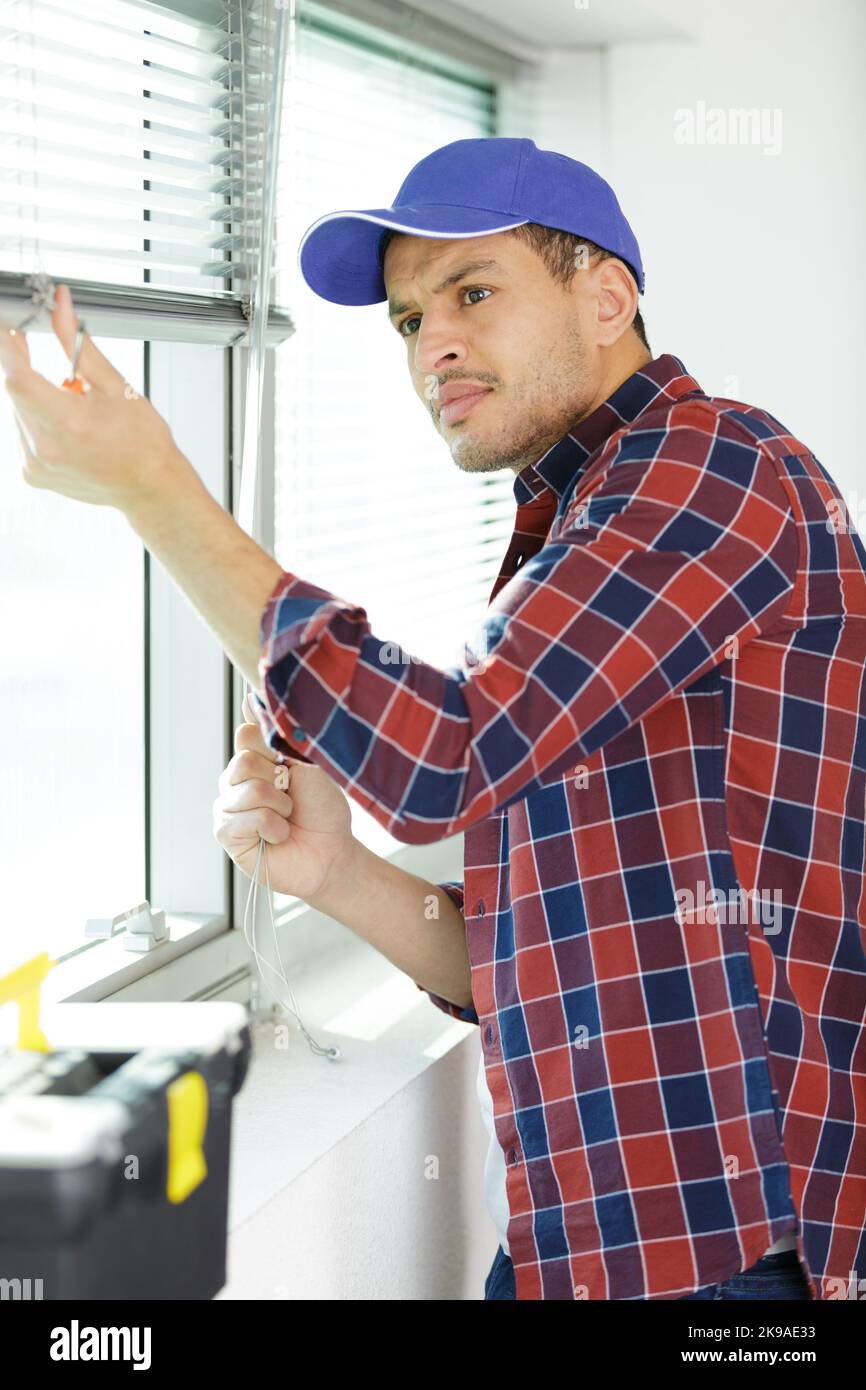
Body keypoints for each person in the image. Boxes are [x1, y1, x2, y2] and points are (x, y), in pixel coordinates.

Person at [1, 137, 863, 1302]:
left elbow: (437, 755)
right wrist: (338, 872)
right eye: (408, 321)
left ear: (605, 296)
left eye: (471, 292)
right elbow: (532, 957)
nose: (432, 345)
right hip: (585, 1241)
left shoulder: (711, 470)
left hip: (724, 1258)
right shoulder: (578, 524)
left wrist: (157, 489)